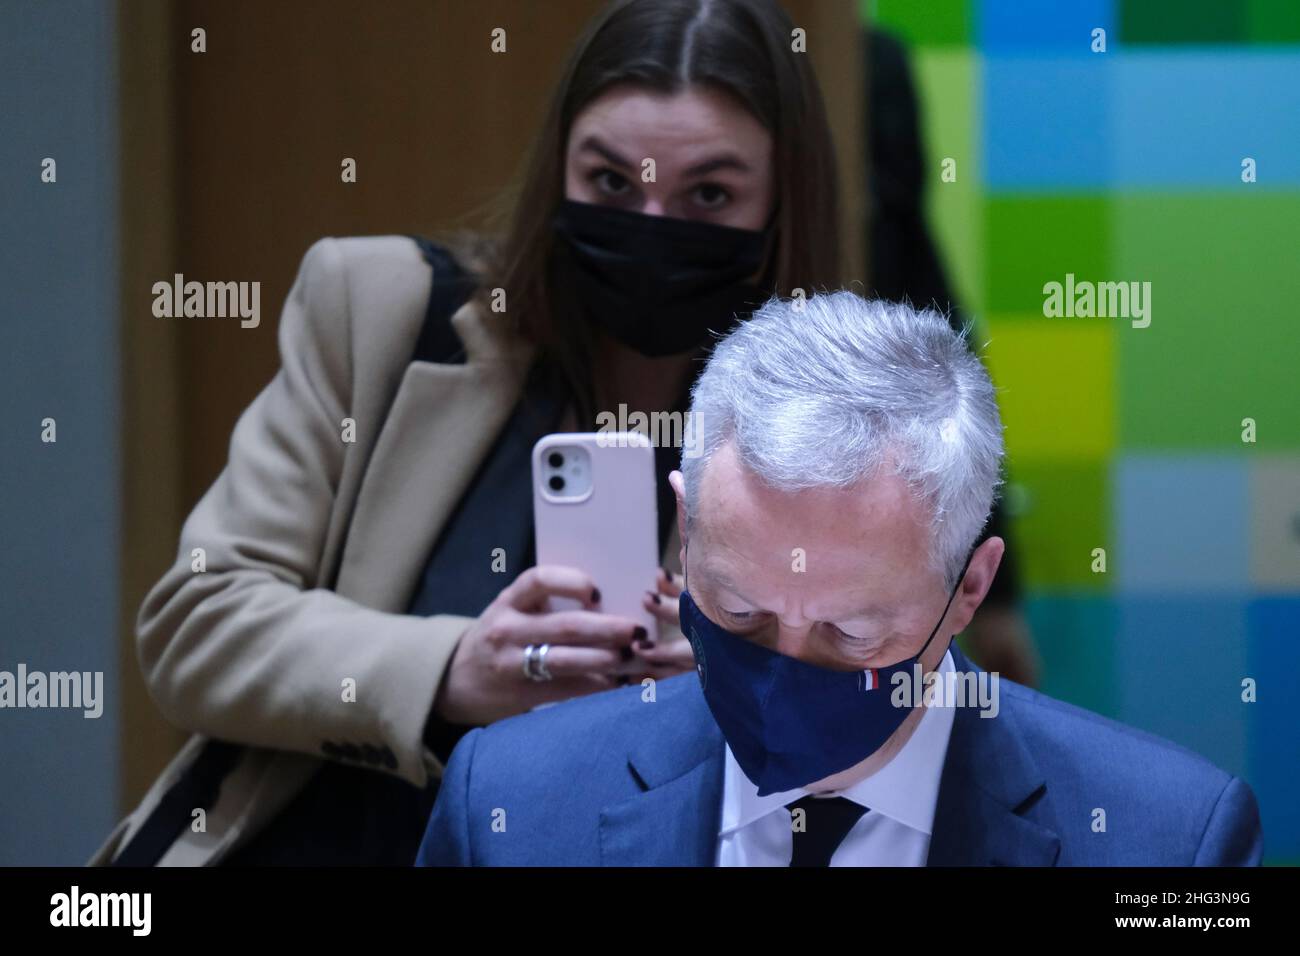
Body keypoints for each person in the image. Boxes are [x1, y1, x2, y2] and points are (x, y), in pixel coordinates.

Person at [90, 0, 845, 866]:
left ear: (782, 203)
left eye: (708, 194)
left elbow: (871, 717)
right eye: (609, 182)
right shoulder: (380, 312)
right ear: (558, 171)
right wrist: (453, 669)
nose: (651, 221)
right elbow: (196, 623)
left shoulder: (829, 429)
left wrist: (726, 688)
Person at [415, 292, 1264, 867]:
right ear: (686, 529)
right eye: (739, 613)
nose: (784, 669)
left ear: (970, 589)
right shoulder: (508, 808)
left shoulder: (1171, 842)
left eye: (852, 632)